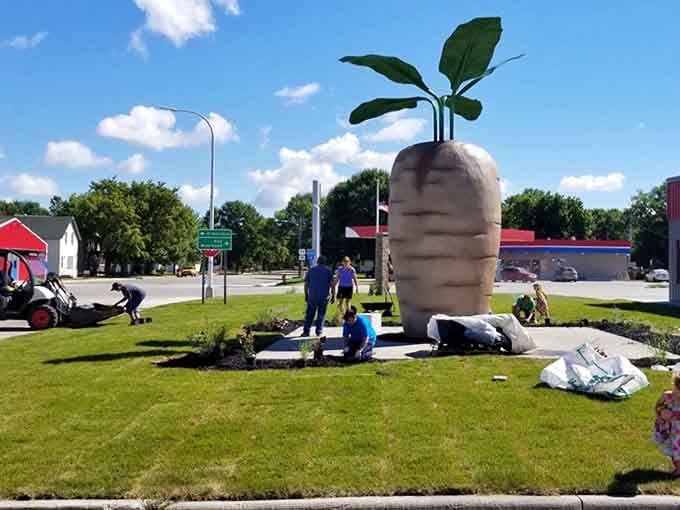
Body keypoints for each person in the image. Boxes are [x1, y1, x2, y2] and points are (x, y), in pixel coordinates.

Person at [653, 372, 680, 477]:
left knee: (677, 449)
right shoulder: (667, 396)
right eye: (677, 390)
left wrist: (675, 415)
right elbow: (658, 406)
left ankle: (678, 470)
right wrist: (660, 414)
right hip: (670, 428)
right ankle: (678, 468)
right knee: (674, 449)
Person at [303, 256, 334, 337]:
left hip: (312, 296)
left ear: (317, 261)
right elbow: (332, 285)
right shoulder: (328, 271)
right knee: (321, 314)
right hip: (324, 296)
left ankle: (306, 331)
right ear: (325, 262)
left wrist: (306, 294)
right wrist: (333, 295)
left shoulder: (311, 270)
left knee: (309, 314)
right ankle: (319, 331)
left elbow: (306, 284)